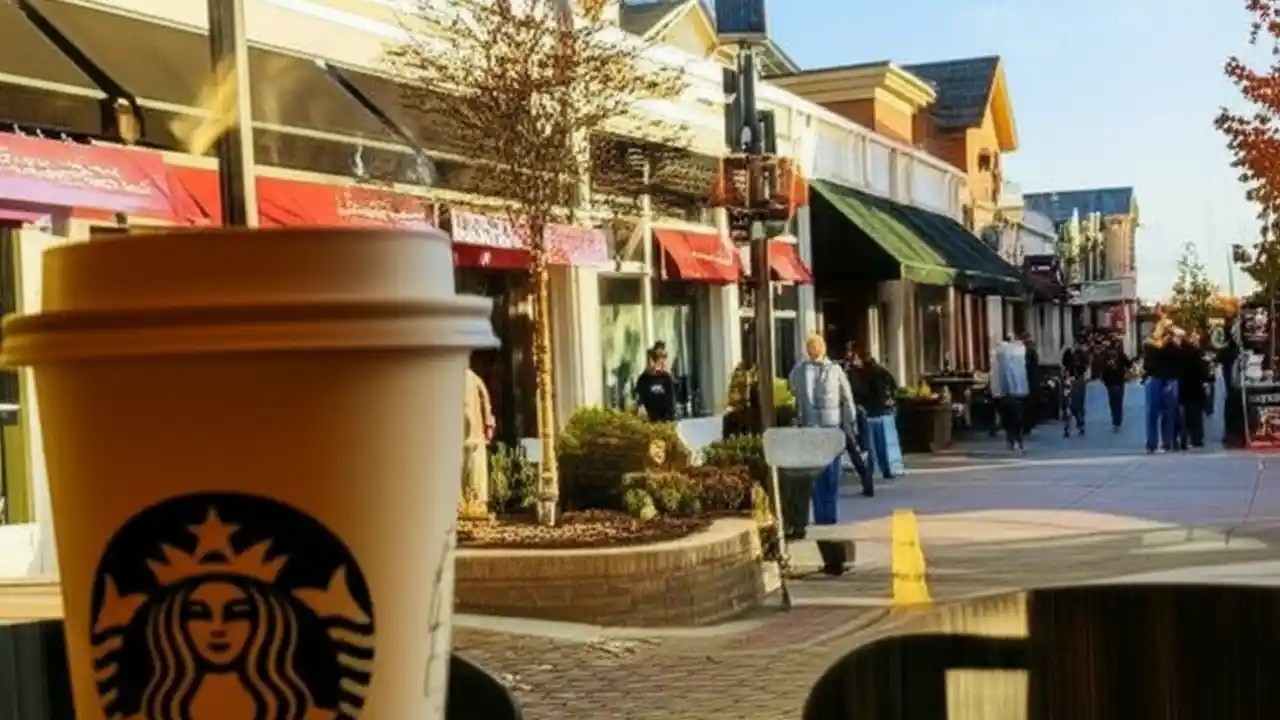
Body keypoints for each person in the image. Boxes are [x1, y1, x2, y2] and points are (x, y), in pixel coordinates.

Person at [788, 333, 871, 525]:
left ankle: (821, 513)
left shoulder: (799, 370)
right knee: (831, 471)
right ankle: (829, 512)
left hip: (810, 426)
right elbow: (847, 397)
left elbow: (791, 388)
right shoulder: (834, 370)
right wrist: (851, 423)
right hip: (831, 426)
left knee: (817, 472)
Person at [848, 350, 902, 480]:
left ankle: (870, 470)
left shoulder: (857, 374)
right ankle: (887, 469)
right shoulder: (881, 370)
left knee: (868, 444)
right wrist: (890, 400)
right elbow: (894, 385)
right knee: (883, 443)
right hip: (882, 412)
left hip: (867, 412)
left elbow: (857, 392)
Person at [1143, 319, 1179, 453]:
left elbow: (1147, 365)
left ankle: (1153, 443)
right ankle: (1166, 442)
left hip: (1157, 379)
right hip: (1169, 380)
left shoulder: (1150, 345)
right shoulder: (1173, 345)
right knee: (1168, 413)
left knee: (1153, 413)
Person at [990, 334, 1030, 452]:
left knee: (1009, 419)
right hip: (1017, 394)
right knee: (1016, 419)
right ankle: (1016, 440)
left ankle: (1012, 440)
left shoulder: (999, 353)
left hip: (1004, 395)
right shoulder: (1017, 353)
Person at [463, 367, 495, 506]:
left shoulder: (473, 379)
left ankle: (476, 503)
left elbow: (485, 401)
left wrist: (488, 424)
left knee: (474, 471)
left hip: (473, 434)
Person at [1178, 331, 1210, 449]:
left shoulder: (1180, 357)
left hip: (1183, 388)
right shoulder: (1197, 356)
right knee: (1196, 415)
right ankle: (1197, 438)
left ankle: (1183, 438)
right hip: (1196, 388)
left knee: (1184, 415)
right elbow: (1204, 373)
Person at [635, 346, 677, 421]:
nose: (653, 364)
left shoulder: (666, 378)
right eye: (650, 360)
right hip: (648, 420)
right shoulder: (643, 379)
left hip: (665, 420)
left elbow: (670, 401)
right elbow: (639, 398)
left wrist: (670, 418)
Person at [1100, 338, 1131, 431]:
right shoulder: (1121, 354)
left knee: (1112, 400)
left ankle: (1114, 417)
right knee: (1118, 401)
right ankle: (1117, 420)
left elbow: (1102, 367)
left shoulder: (1105, 355)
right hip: (1119, 380)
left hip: (1109, 382)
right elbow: (1128, 364)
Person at [1061, 340, 1090, 436]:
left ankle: (1079, 423)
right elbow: (1064, 364)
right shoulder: (1068, 353)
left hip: (1077, 380)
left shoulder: (1081, 354)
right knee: (1070, 404)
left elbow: (1086, 366)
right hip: (1071, 380)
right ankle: (1070, 425)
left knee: (1077, 403)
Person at [1023, 333, 1041, 434]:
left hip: (1029, 381)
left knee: (1028, 404)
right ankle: (1028, 424)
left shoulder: (1028, 352)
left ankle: (1027, 424)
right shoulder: (1031, 351)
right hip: (1031, 381)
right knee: (1029, 404)